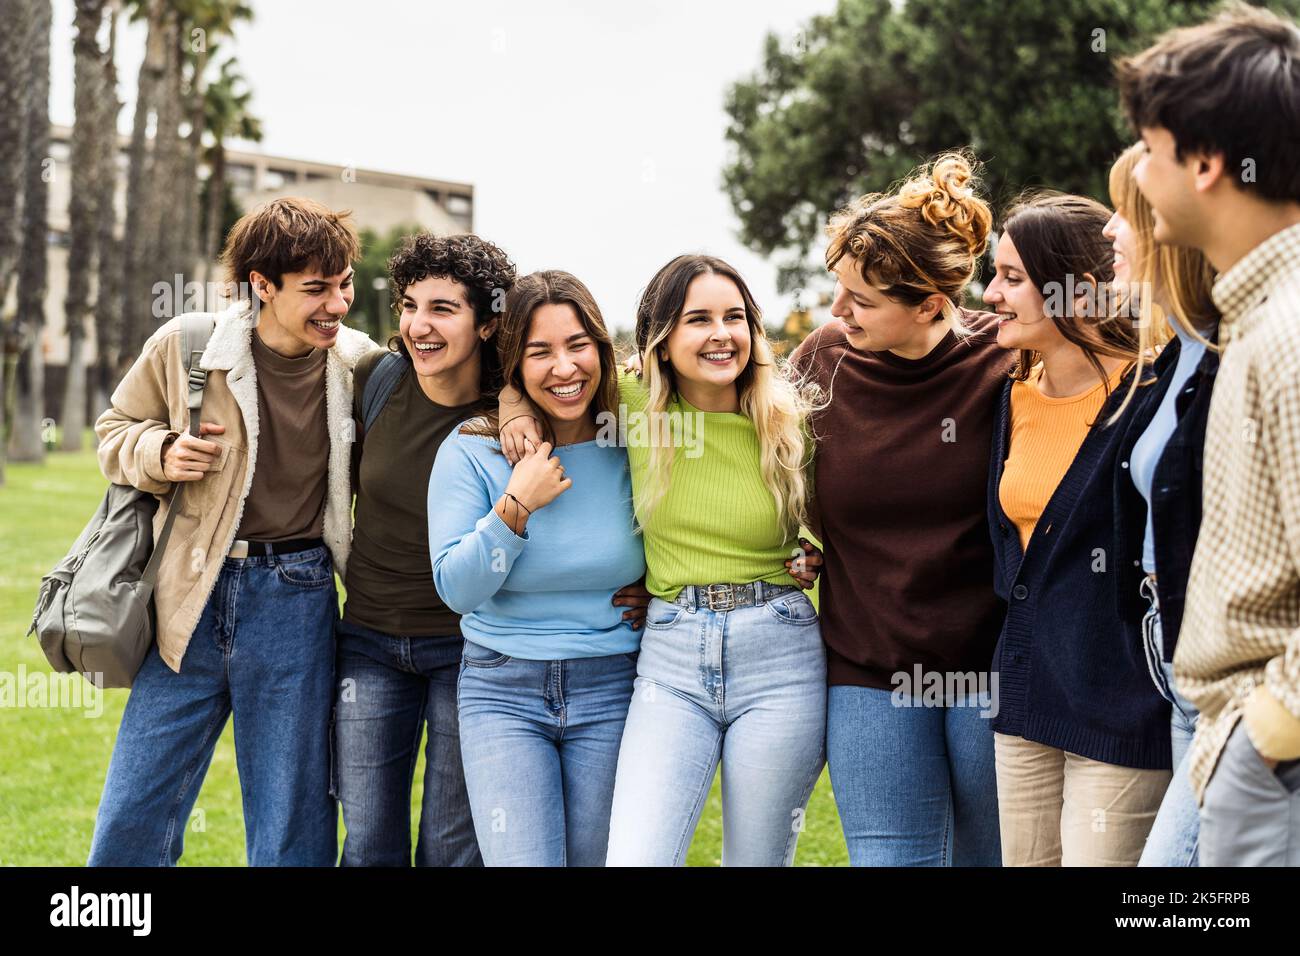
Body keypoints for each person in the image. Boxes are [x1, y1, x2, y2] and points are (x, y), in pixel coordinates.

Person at [500, 254, 826, 866]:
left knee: (756, 859)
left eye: (734, 317)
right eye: (697, 319)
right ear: (663, 340)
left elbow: (842, 516)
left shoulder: (789, 421)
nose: (720, 333)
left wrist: (818, 552)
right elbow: (551, 371)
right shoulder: (632, 408)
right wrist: (514, 403)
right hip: (673, 653)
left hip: (780, 654)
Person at [89, 198, 376, 866]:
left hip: (296, 601)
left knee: (292, 817)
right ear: (262, 286)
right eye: (316, 289)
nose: (337, 303)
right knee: (135, 807)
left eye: (344, 284)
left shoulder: (358, 366)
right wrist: (161, 452)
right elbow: (114, 432)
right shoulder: (189, 344)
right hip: (186, 598)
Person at [1118, 3, 1300, 865]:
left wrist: (1259, 739)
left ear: (1206, 164)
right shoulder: (1259, 320)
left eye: (1149, 150)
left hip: (1274, 767)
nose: (1139, 177)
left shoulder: (1290, 336)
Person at [790, 152, 1010, 866]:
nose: (837, 311)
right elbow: (727, 444)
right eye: (839, 289)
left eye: (862, 300)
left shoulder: (1009, 363)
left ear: (931, 305)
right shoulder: (822, 361)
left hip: (991, 668)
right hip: (867, 668)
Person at [427, 270, 648, 866]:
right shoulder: (470, 450)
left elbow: (685, 529)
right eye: (539, 352)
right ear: (514, 366)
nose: (564, 368)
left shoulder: (635, 441)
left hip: (613, 685)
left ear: (601, 349)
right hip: (502, 689)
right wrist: (515, 507)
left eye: (578, 345)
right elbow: (456, 588)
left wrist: (663, 589)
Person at [984, 192, 1171, 866]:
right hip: (1028, 698)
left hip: (1122, 706)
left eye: (1011, 279)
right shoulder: (1014, 398)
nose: (990, 293)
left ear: (1079, 293)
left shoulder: (1153, 397)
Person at [333, 233, 514, 866]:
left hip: (470, 650)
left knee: (451, 848)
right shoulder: (376, 382)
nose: (417, 325)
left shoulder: (513, 412)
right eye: (409, 305)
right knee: (368, 842)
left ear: (488, 323)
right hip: (369, 643)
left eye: (442, 308)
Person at [1100, 144, 1220, 867]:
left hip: (1227, 675)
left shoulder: (1237, 350)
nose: (1110, 231)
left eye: (1127, 213)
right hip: (1167, 657)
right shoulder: (1172, 357)